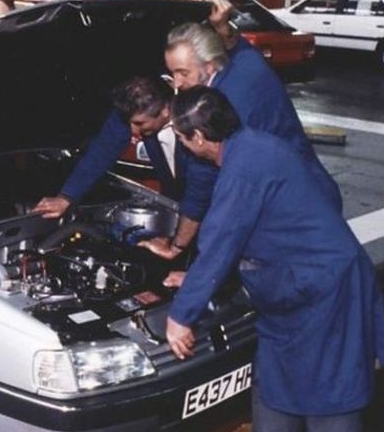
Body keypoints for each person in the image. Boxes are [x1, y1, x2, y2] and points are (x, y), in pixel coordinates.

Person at [162, 86, 384, 432]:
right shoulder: (252, 145)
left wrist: (182, 315)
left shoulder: (242, 170)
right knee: (273, 372)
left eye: (178, 134)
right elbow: (243, 232)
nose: (177, 141)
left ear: (197, 138)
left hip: (324, 292)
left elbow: (222, 239)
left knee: (330, 400)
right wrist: (197, 275)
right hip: (296, 287)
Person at [141, 19, 341, 259]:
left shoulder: (217, 107)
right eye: (172, 72)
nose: (177, 83)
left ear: (211, 65)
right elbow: (239, 46)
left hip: (296, 213)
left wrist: (177, 247)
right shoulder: (246, 62)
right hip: (313, 190)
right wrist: (223, 26)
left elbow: (201, 184)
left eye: (183, 73)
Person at [34, 77, 216, 223]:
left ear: (166, 111)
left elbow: (201, 185)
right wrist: (66, 197)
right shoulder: (135, 107)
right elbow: (100, 153)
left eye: (139, 124)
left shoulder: (193, 114)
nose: (133, 132)